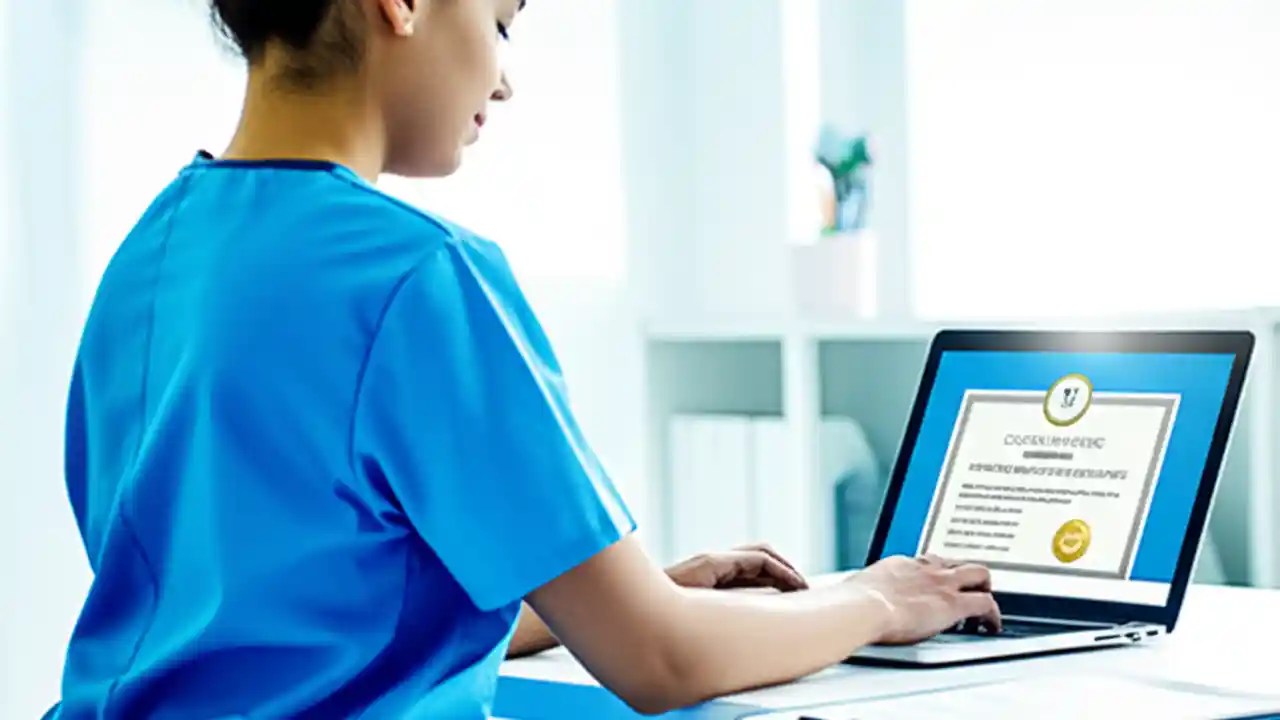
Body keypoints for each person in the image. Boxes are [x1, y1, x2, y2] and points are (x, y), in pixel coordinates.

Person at [52, 1, 1001, 717]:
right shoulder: (419, 277)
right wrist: (878, 597)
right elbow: (661, 663)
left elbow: (273, 622)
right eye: (503, 23)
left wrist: (621, 594)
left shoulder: (151, 256)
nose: (504, 81)